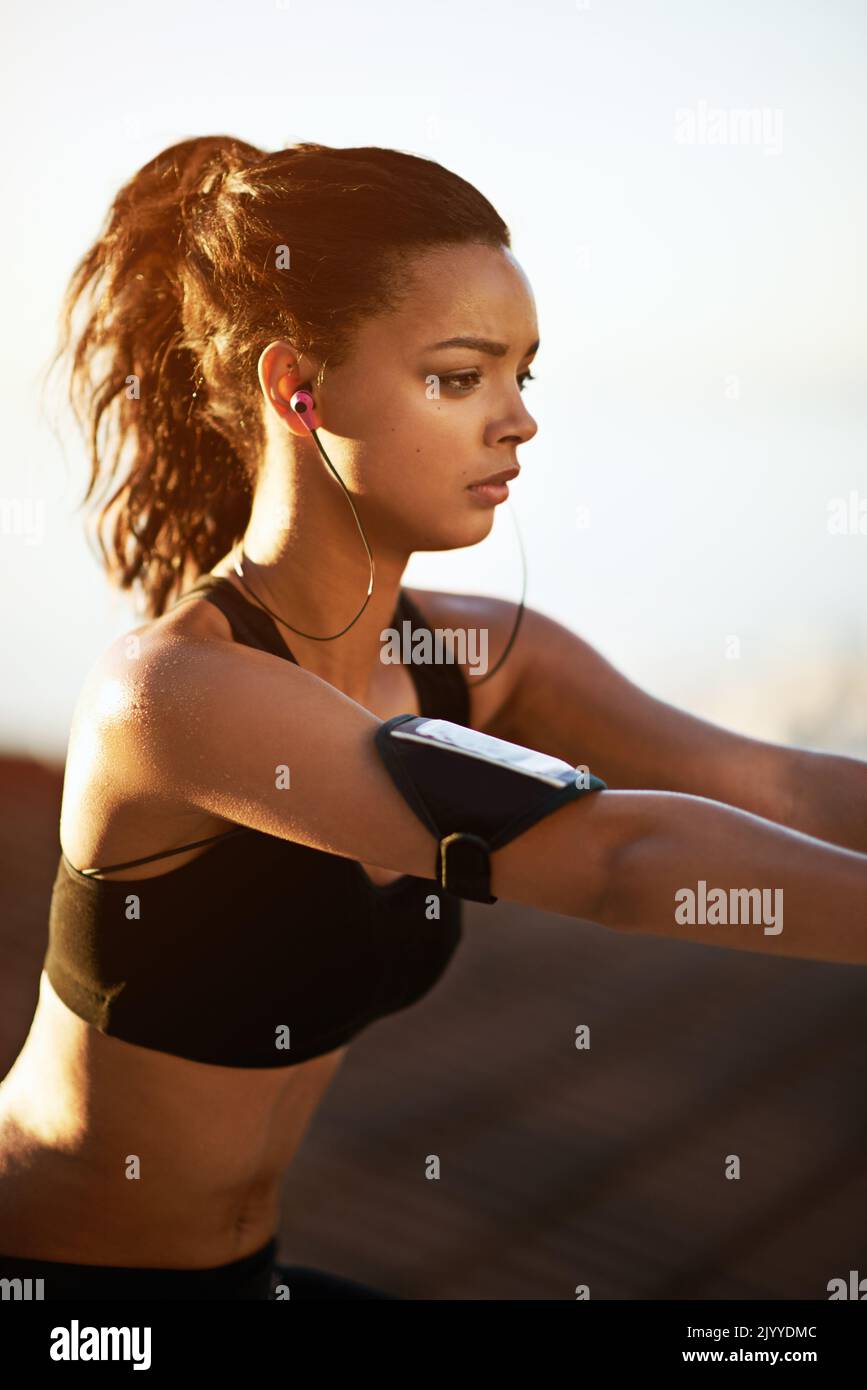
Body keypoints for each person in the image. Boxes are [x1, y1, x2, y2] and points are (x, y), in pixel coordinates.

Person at [0, 139, 865, 1302]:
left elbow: (764, 784)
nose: (518, 422)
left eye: (524, 375)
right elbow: (617, 856)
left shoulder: (472, 654)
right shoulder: (178, 697)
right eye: (460, 376)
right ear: (296, 388)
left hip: (243, 1274)